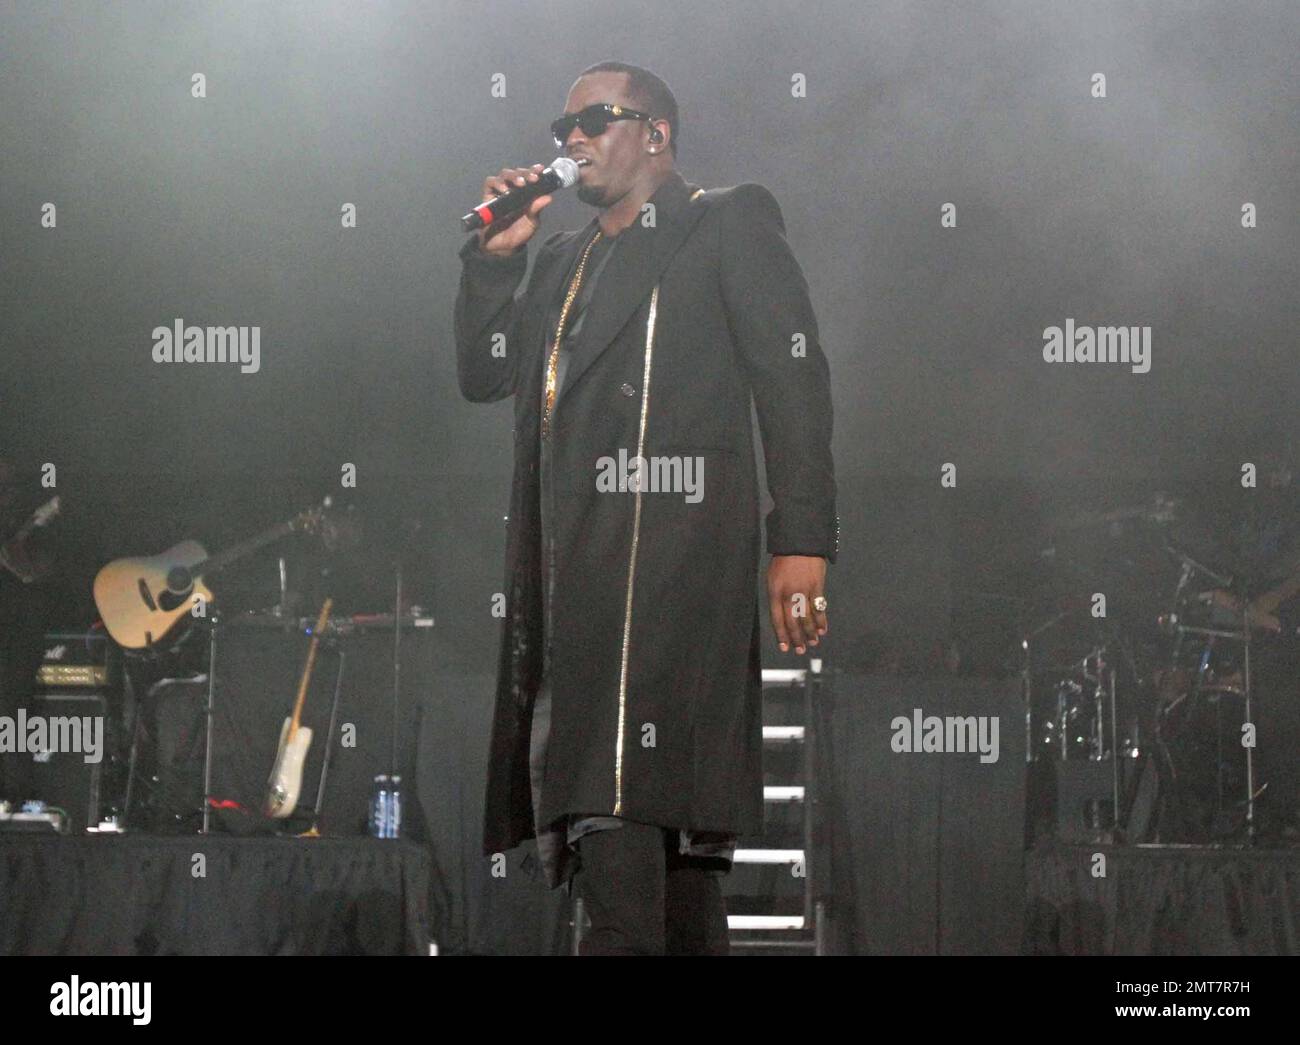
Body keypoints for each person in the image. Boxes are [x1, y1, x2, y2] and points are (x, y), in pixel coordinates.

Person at [453, 62, 838, 954]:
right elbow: (484, 373)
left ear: (657, 133)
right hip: (576, 582)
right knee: (663, 857)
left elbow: (793, 376)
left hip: (675, 568)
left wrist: (803, 537)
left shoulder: (722, 220)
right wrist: (492, 262)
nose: (572, 138)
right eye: (564, 125)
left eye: (596, 118)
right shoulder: (559, 261)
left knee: (626, 811)